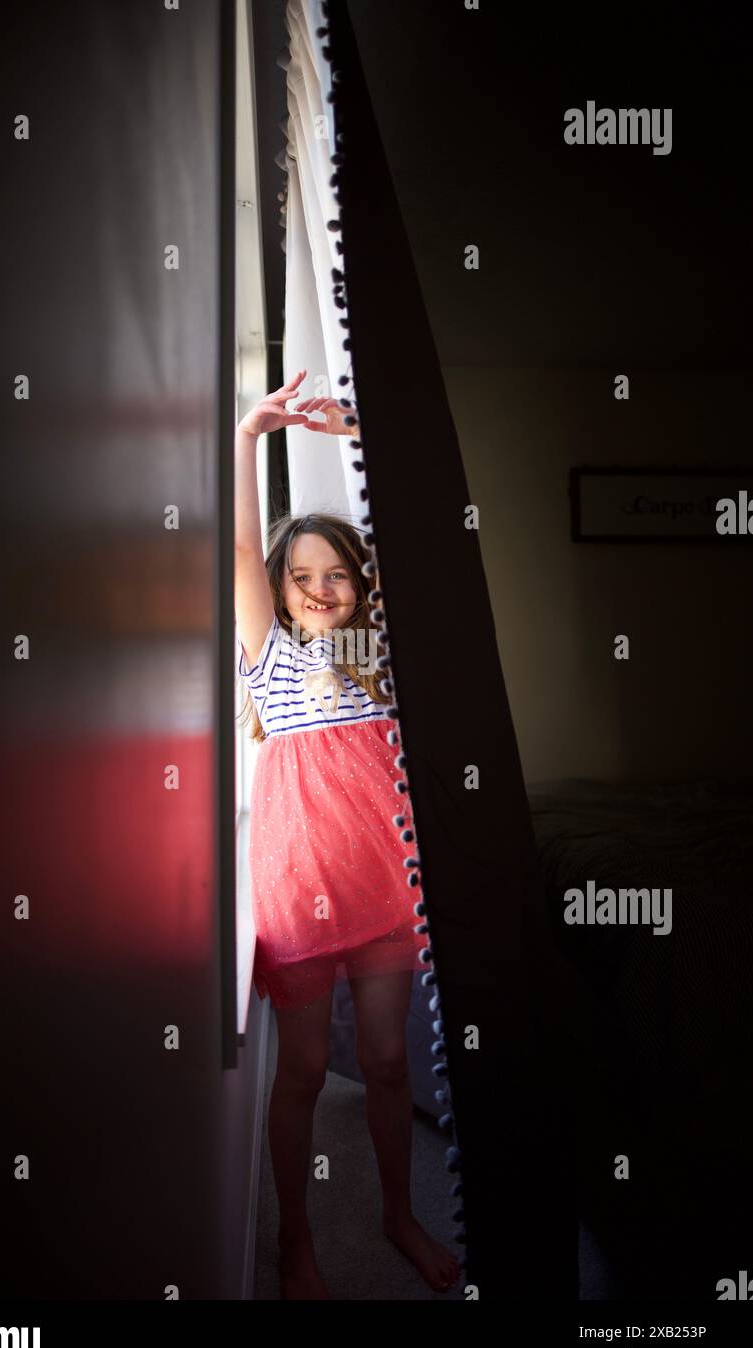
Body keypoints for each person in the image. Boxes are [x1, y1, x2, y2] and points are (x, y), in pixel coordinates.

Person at [235, 368, 460, 1300]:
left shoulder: (377, 658)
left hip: (382, 888)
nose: (320, 588)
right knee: (304, 1069)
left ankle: (398, 1217)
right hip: (299, 882)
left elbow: (419, 533)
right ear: (282, 594)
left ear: (358, 588)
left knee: (383, 1060)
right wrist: (250, 434)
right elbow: (243, 546)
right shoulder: (273, 659)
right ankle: (298, 1239)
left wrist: (358, 430)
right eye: (303, 577)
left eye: (337, 575)